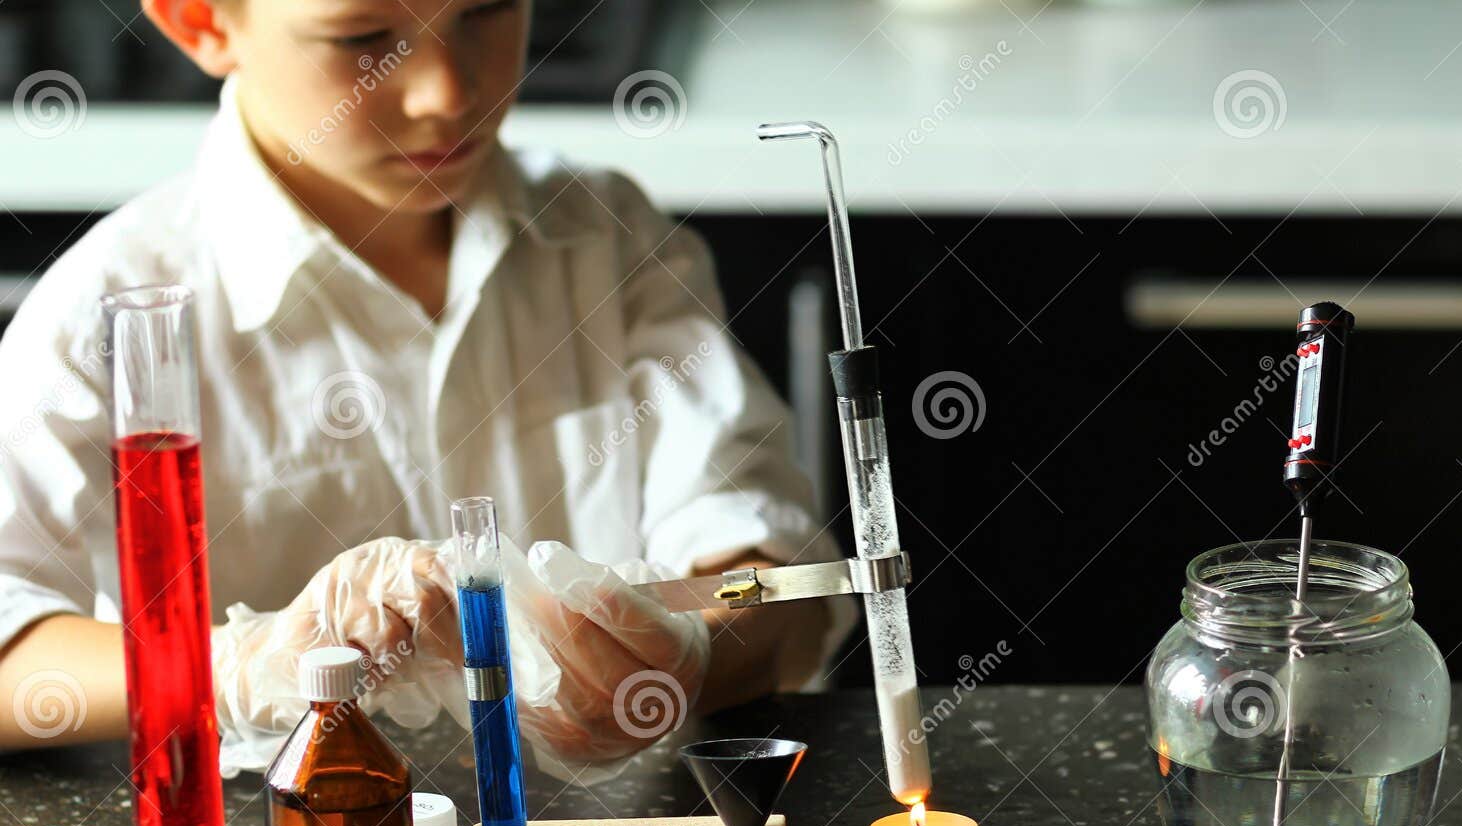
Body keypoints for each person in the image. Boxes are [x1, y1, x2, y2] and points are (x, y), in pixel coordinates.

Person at [0, 0, 845, 764]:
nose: (447, 92)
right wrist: (238, 668)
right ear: (201, 20)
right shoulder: (109, 312)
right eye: (363, 37)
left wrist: (692, 658)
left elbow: (781, 579)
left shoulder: (607, 242)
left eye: (487, 11)